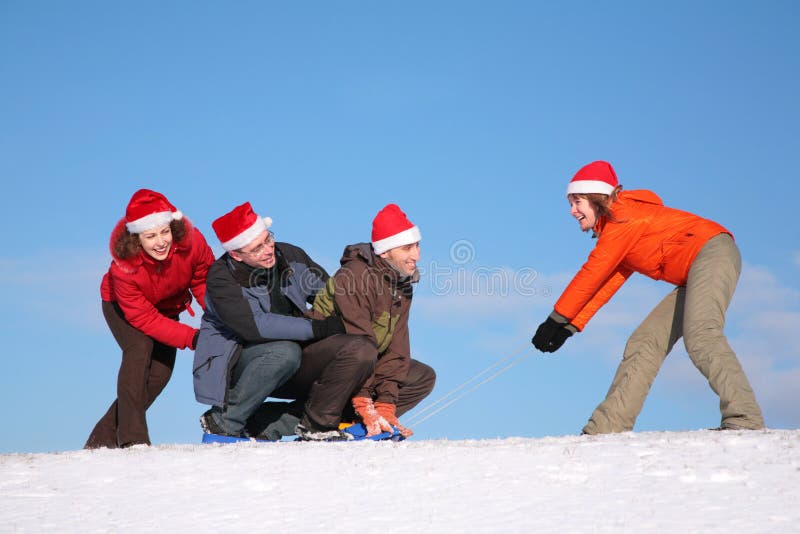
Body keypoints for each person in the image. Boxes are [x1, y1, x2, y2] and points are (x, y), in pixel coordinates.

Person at [531, 161, 764, 434]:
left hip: (712, 253)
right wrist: (569, 326)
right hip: (695, 270)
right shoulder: (618, 229)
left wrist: (555, 318)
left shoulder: (624, 217)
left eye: (577, 201)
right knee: (645, 341)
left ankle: (745, 418)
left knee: (701, 334)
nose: (572, 211)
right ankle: (606, 428)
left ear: (597, 198)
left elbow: (591, 273)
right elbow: (606, 282)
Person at [192, 202, 351, 440]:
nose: (268, 250)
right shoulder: (221, 279)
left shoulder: (291, 256)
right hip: (239, 364)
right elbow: (255, 326)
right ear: (236, 254)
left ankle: (268, 424)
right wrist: (316, 327)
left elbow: (328, 295)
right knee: (284, 352)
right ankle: (224, 421)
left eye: (268, 240)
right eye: (256, 248)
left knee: (356, 356)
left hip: (293, 356)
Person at [85, 189, 215, 449]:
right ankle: (134, 440)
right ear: (136, 239)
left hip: (167, 307)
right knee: (139, 350)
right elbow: (145, 319)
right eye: (150, 235)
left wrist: (218, 319)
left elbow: (204, 281)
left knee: (160, 375)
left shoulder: (193, 242)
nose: (160, 242)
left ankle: (101, 440)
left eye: (164, 232)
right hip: (122, 307)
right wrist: (191, 337)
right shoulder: (124, 268)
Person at [310, 203, 436, 438]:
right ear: (385, 251)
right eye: (407, 247)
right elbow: (359, 340)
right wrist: (364, 399)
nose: (417, 255)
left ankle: (355, 422)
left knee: (422, 376)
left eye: (417, 245)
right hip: (325, 360)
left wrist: (386, 403)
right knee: (363, 350)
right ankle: (325, 418)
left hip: (363, 359)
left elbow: (397, 346)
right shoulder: (355, 275)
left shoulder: (401, 285)